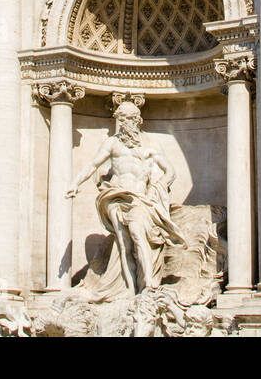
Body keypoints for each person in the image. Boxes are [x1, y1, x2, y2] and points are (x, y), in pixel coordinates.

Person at [67, 101, 183, 297]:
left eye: (127, 119)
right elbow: (92, 164)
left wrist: (158, 187)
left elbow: (170, 170)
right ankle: (130, 289)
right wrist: (75, 183)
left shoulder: (151, 145)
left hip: (139, 198)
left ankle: (149, 283)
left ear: (137, 120)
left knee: (138, 233)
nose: (123, 124)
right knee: (123, 242)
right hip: (115, 196)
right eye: (120, 119)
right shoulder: (112, 143)